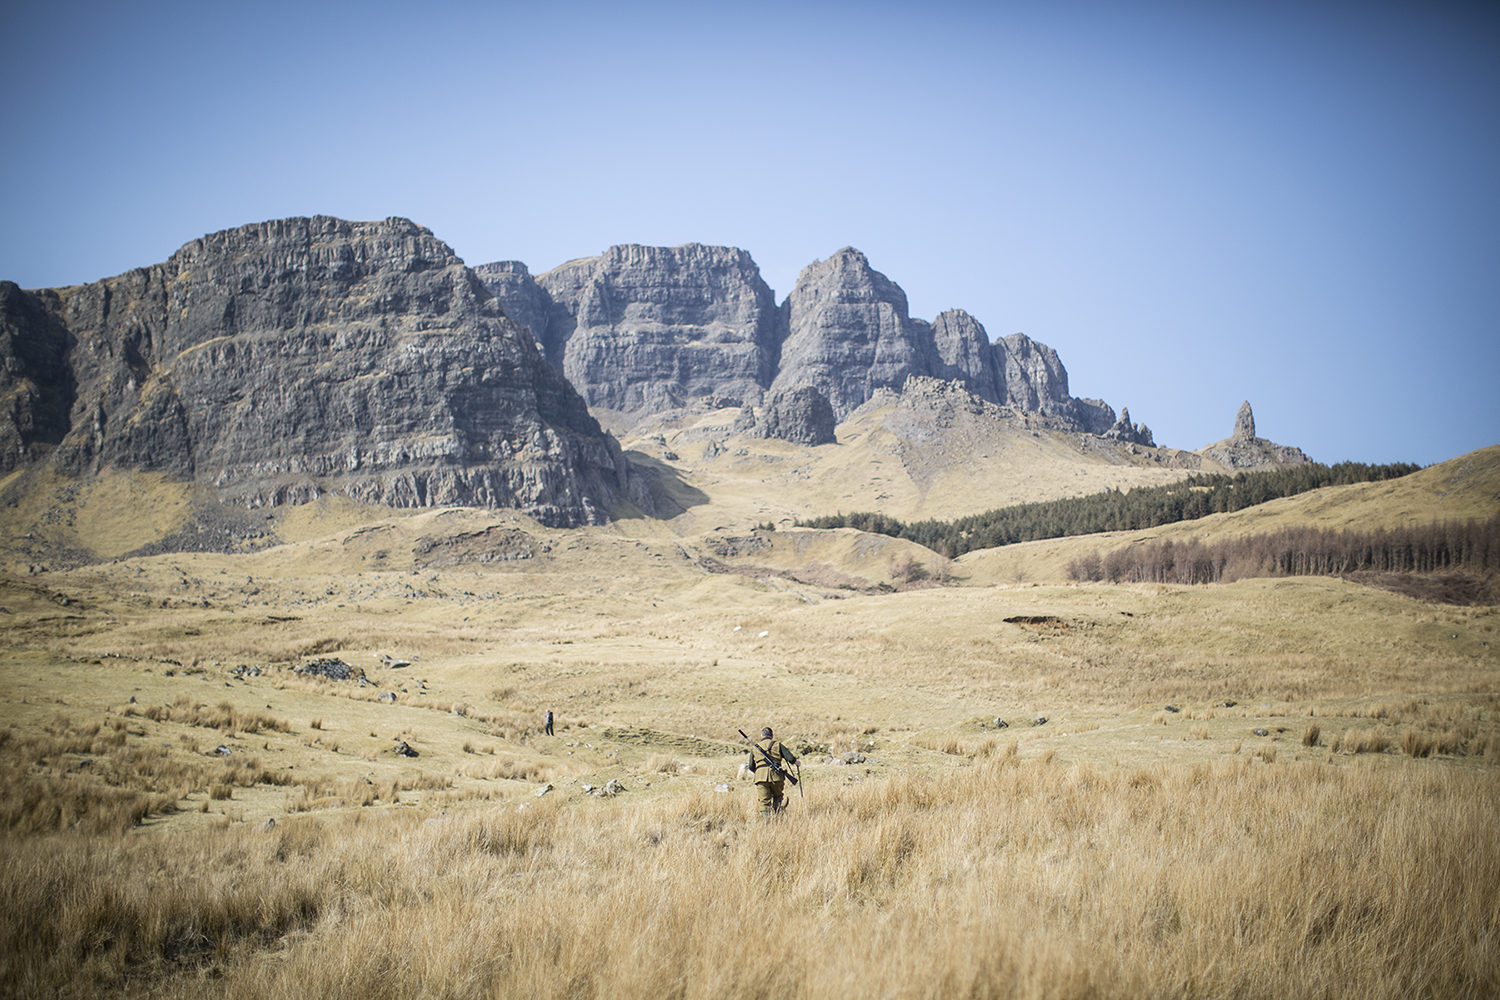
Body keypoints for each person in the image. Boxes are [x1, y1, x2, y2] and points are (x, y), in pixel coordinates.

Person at [748, 726, 798, 816]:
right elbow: (790, 758)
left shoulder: (755, 747)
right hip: (777, 776)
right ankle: (777, 817)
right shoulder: (778, 745)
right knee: (777, 798)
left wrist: (759, 772)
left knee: (764, 802)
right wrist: (797, 762)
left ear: (761, 735)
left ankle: (766, 822)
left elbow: (751, 766)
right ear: (772, 736)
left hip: (760, 778)